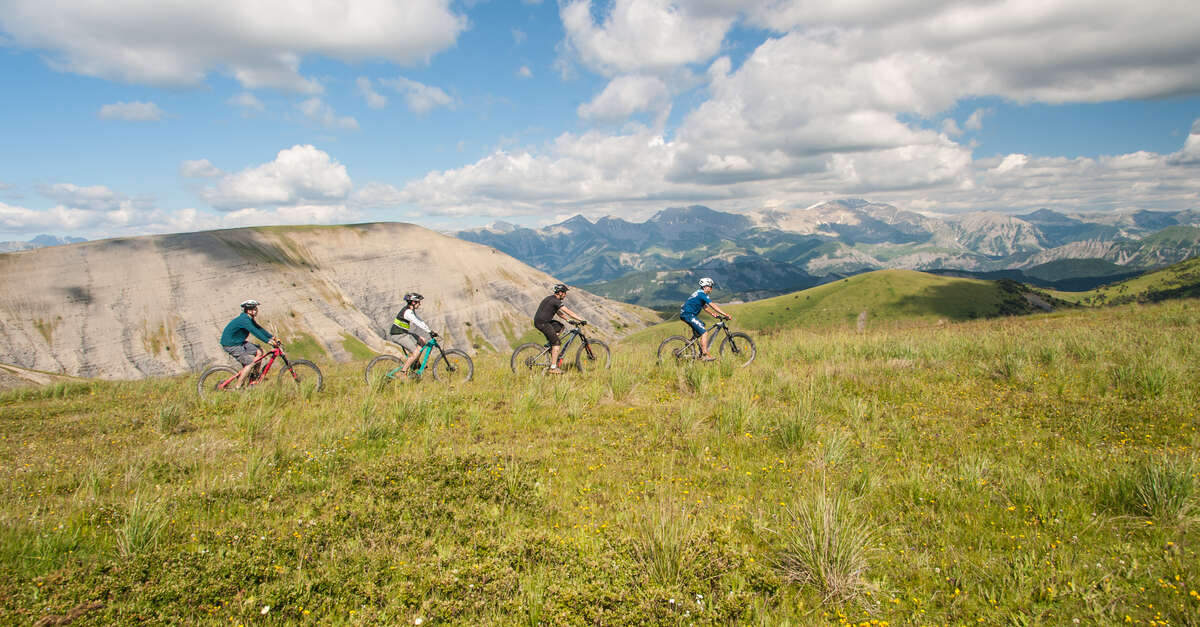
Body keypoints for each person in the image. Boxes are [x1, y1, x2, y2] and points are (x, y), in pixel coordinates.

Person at [219, 299, 280, 387]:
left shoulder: (248, 318)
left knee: (259, 351)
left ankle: (254, 378)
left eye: (256, 309)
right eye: (254, 309)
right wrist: (268, 341)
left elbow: (258, 328)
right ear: (249, 310)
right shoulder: (244, 320)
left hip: (239, 342)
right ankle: (238, 388)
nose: (256, 311)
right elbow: (255, 332)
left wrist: (271, 337)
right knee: (249, 363)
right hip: (231, 345)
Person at [534, 283, 586, 374]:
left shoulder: (551, 298)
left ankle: (551, 345)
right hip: (543, 323)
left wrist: (568, 320)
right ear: (561, 293)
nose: (565, 295)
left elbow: (559, 313)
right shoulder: (556, 301)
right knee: (557, 343)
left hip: (543, 321)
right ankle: (553, 368)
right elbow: (568, 311)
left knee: (560, 327)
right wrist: (581, 319)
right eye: (565, 293)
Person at [679, 277, 733, 361]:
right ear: (705, 287)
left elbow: (705, 306)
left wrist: (713, 314)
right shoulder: (702, 294)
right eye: (710, 286)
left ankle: (690, 345)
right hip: (688, 315)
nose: (711, 289)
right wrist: (725, 314)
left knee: (702, 326)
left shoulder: (699, 293)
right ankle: (704, 354)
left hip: (687, 314)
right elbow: (713, 305)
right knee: (704, 333)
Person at [389, 292, 438, 377]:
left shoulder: (411, 310)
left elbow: (419, 320)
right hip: (398, 335)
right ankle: (403, 372)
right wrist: (429, 331)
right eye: (418, 302)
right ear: (413, 302)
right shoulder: (408, 312)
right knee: (415, 353)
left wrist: (430, 330)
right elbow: (417, 322)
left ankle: (415, 363)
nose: (420, 304)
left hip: (403, 333)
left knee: (422, 340)